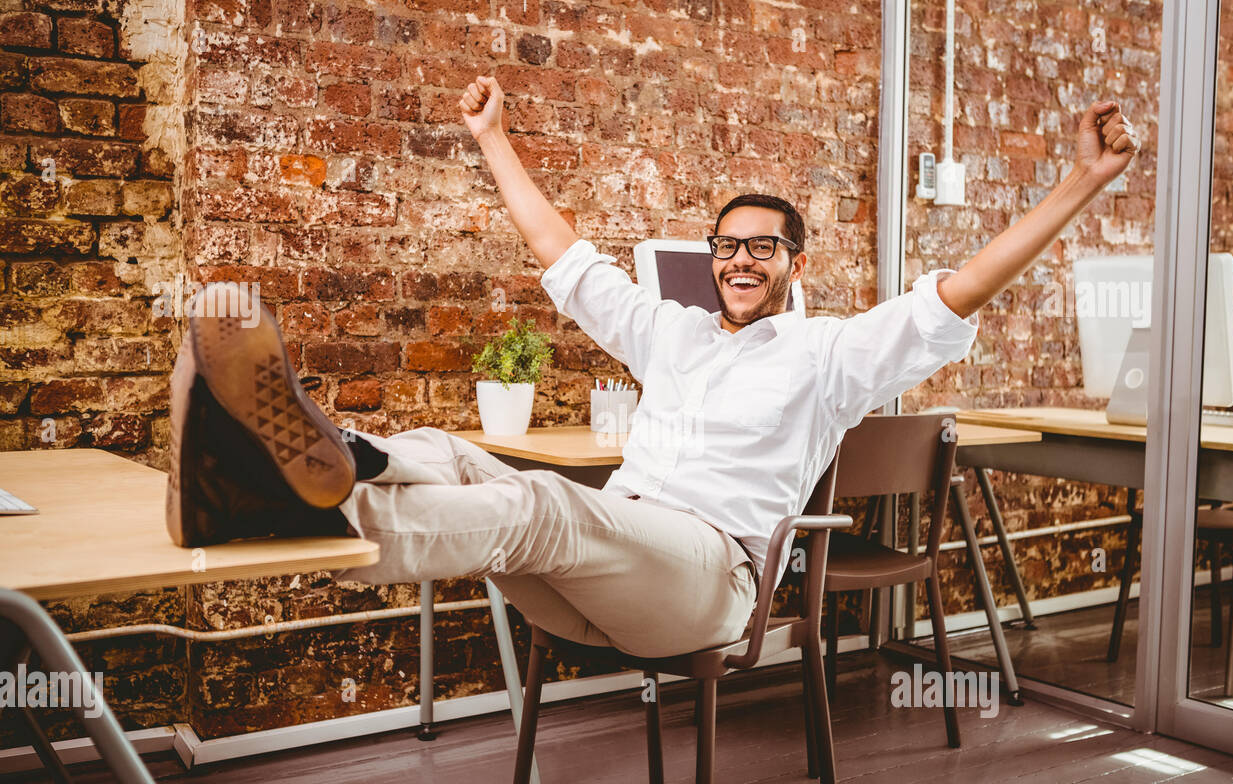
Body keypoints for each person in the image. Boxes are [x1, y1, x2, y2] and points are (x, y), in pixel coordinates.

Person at [167, 76, 1138, 658]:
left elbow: (962, 287)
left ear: (795, 264)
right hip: (605, 570)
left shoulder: (829, 351)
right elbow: (562, 253)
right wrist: (492, 138)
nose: (739, 260)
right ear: (709, 258)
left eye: (762, 247)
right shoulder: (668, 332)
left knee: (545, 506)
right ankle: (277, 477)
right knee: (451, 453)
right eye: (726, 246)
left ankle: (294, 503)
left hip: (707, 583)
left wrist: (1079, 183)